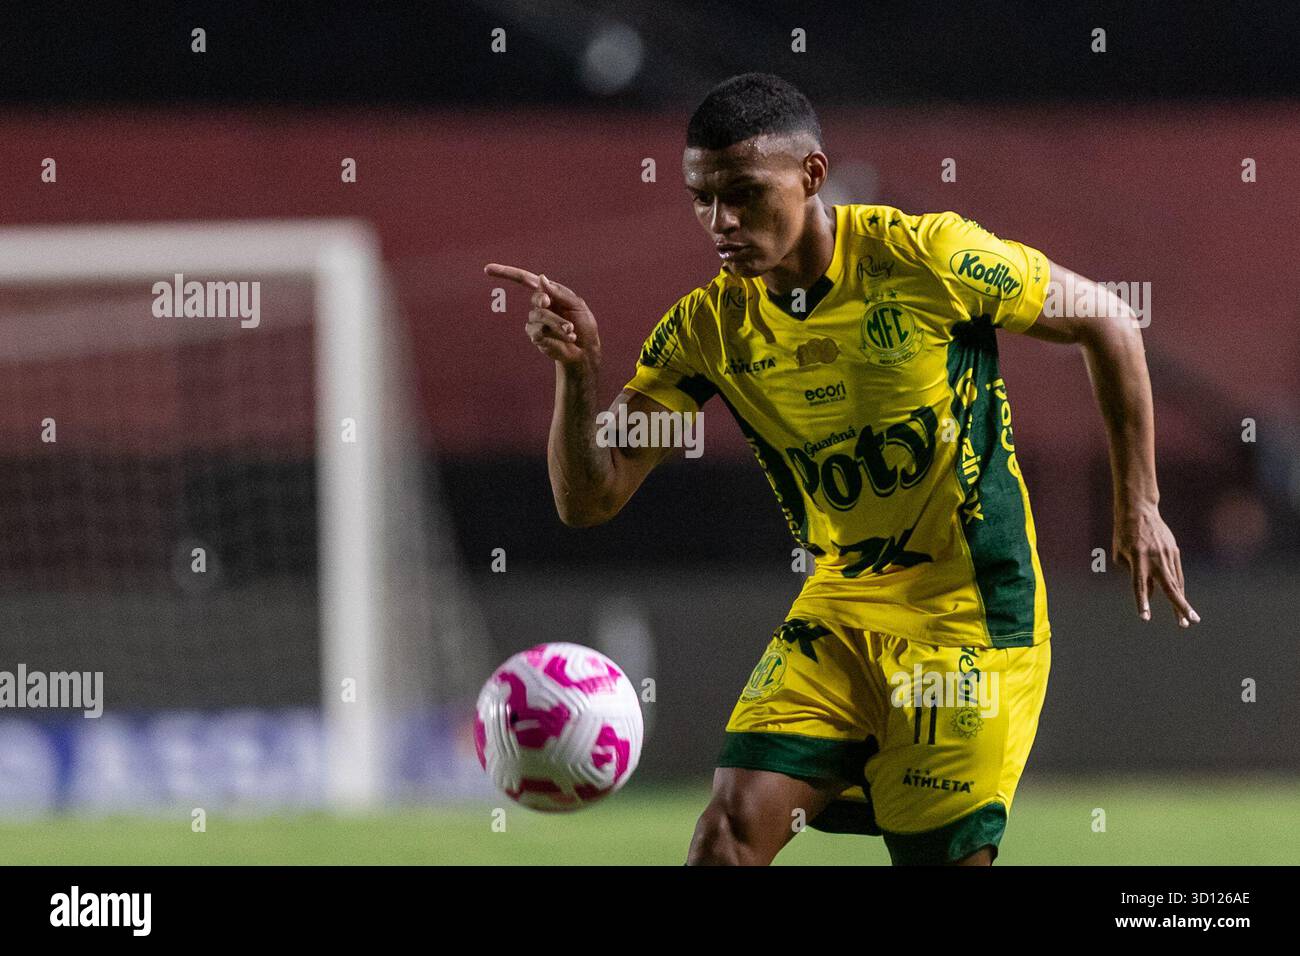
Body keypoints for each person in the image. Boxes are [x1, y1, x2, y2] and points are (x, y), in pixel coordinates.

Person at [484, 72, 1197, 865]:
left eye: (744, 195)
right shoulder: (709, 328)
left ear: (811, 176)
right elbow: (591, 498)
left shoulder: (926, 256)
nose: (719, 222)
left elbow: (1107, 319)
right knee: (724, 842)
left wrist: (1140, 502)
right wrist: (578, 376)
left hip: (968, 621)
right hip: (839, 611)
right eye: (701, 199)